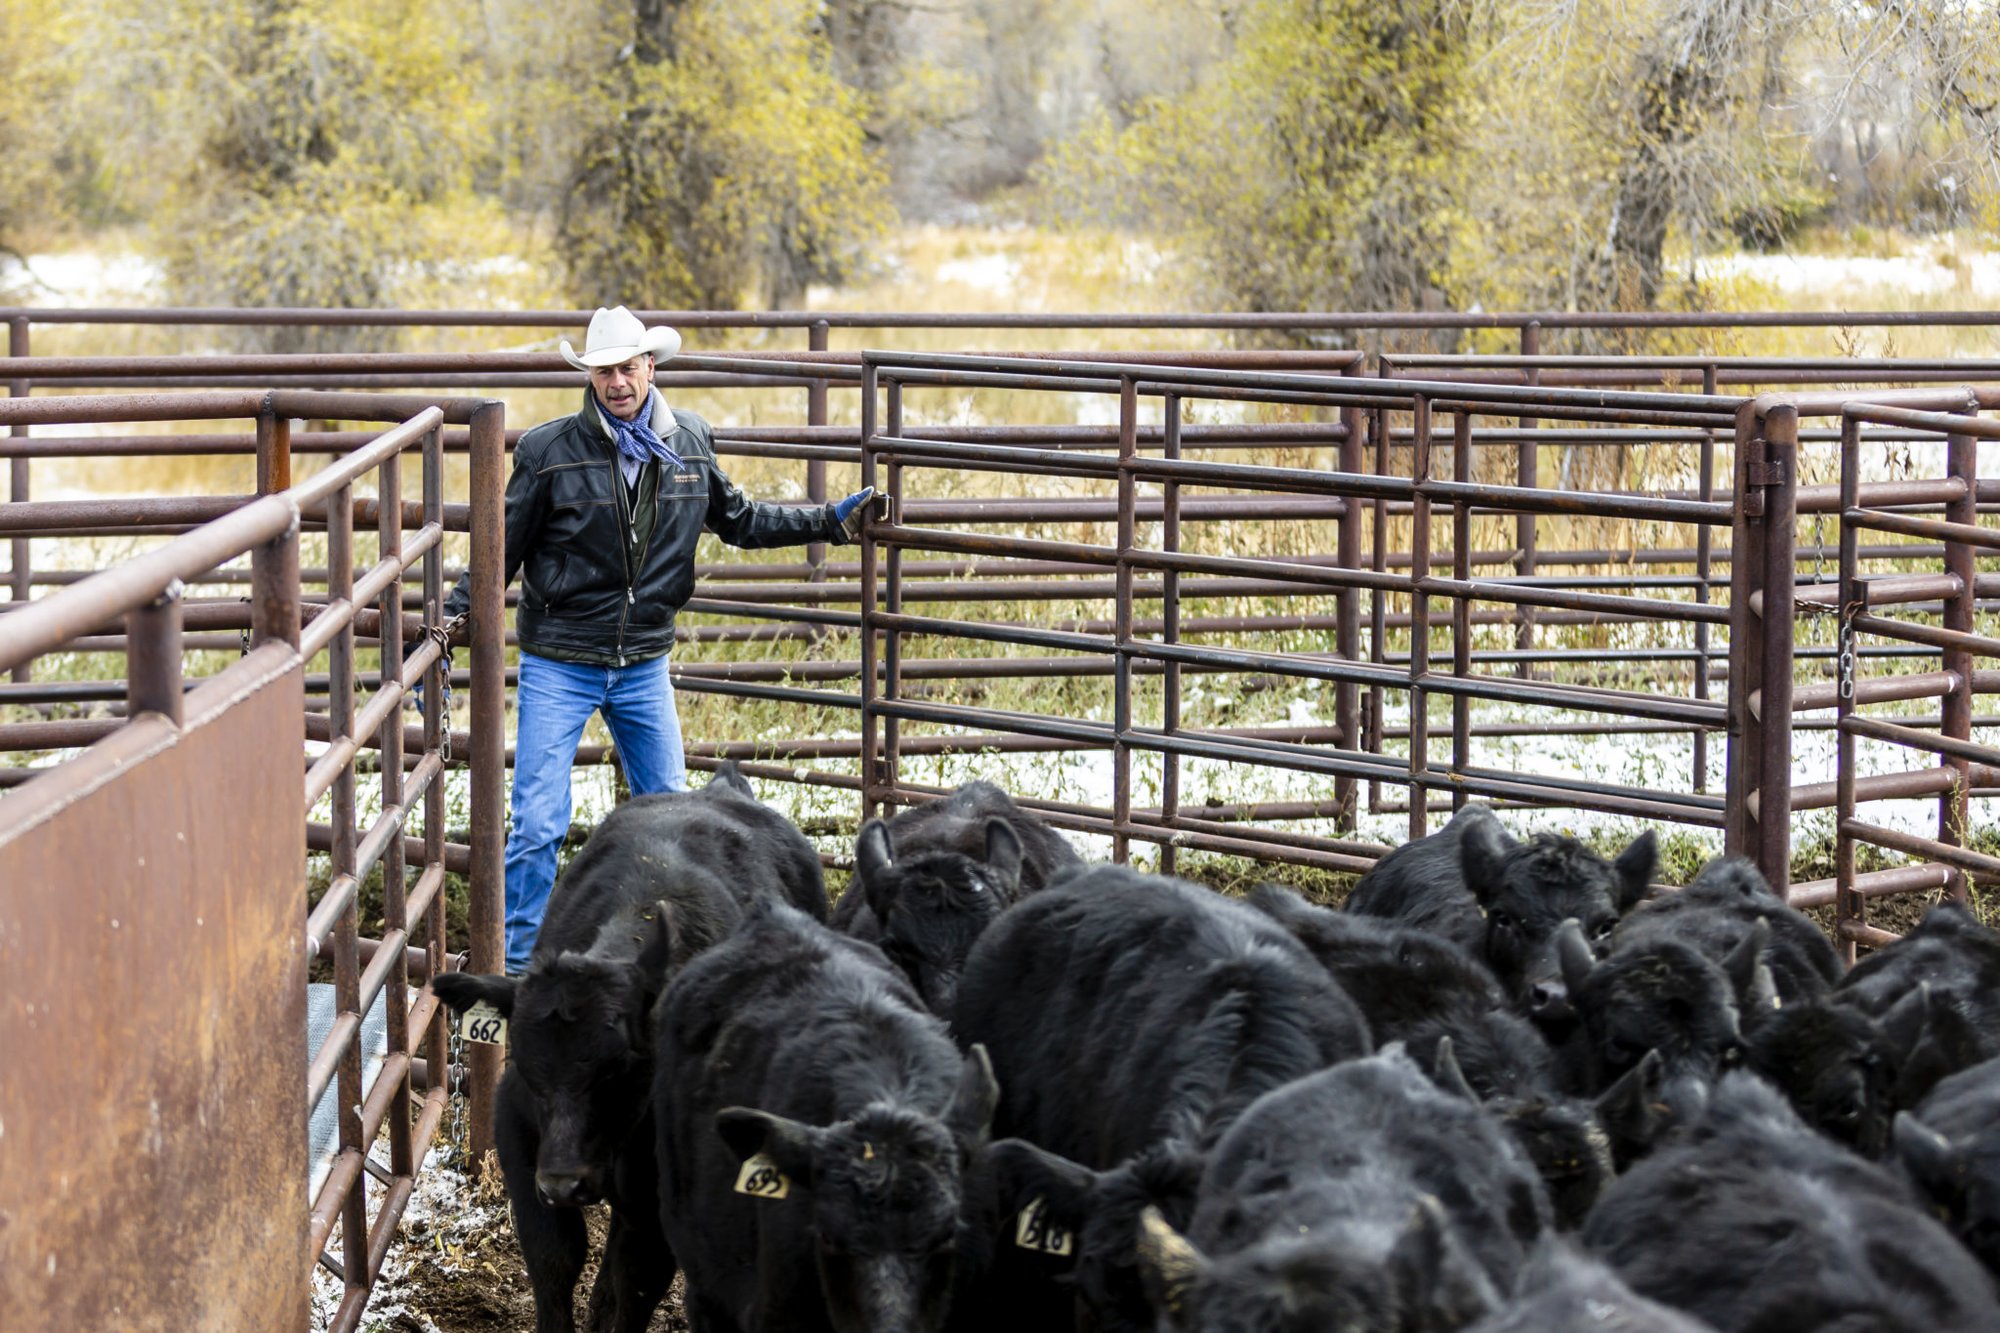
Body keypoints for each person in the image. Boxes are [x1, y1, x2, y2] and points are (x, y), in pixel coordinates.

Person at [439, 305, 880, 972]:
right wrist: (452, 619)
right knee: (535, 822)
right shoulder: (549, 451)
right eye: (603, 371)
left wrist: (829, 521)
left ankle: (670, 960)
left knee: (672, 818)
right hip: (562, 655)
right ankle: (519, 969)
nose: (617, 381)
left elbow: (740, 519)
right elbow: (501, 550)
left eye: (627, 367)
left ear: (650, 365)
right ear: (588, 377)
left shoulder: (690, 442)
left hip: (644, 657)